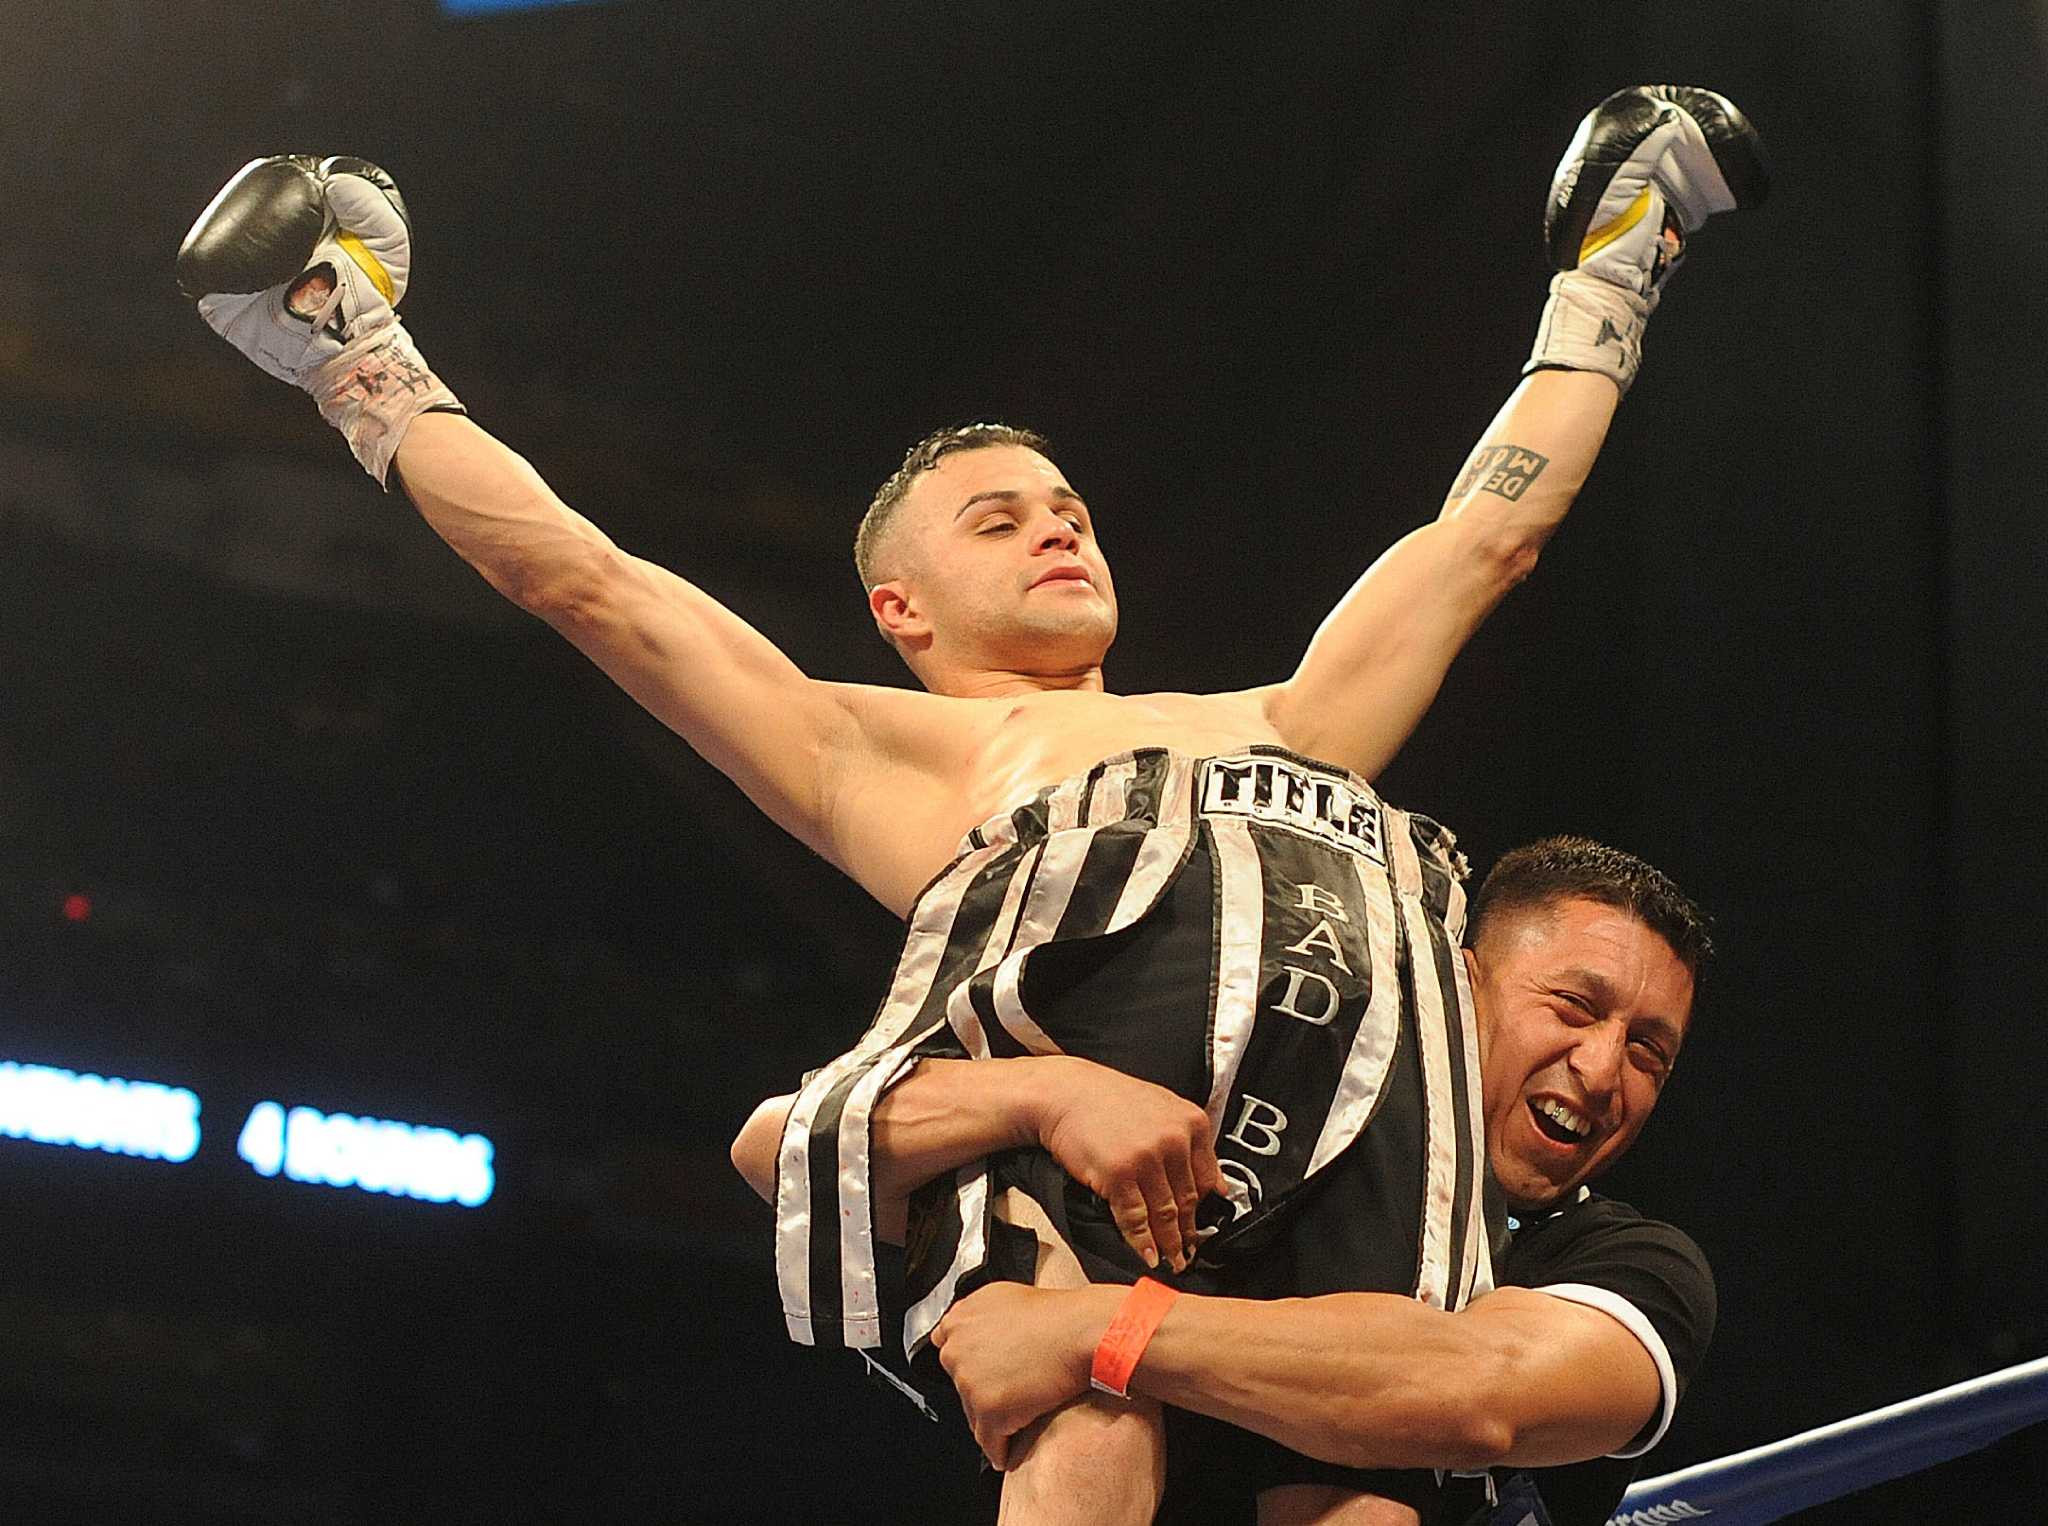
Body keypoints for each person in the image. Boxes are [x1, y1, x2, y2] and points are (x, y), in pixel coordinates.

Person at [176, 85, 1761, 1525]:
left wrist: (1608, 276)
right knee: (1091, 1420)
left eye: (1068, 510)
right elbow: (594, 587)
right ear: (900, 611)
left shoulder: (1286, 720)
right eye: (996, 523)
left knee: (1360, 1507)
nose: (1056, 534)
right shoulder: (892, 754)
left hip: (1352, 1144)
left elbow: (1482, 536)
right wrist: (353, 362)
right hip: (1095, 1178)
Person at [747, 836, 1710, 1526]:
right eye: (1573, 1008)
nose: (1600, 1068)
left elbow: (1471, 1393)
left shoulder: (1633, 1263)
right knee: (1097, 1427)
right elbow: (776, 1149)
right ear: (1449, 985)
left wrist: (1098, 1330)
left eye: (1649, 1054)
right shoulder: (1232, 1142)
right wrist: (1049, 1094)